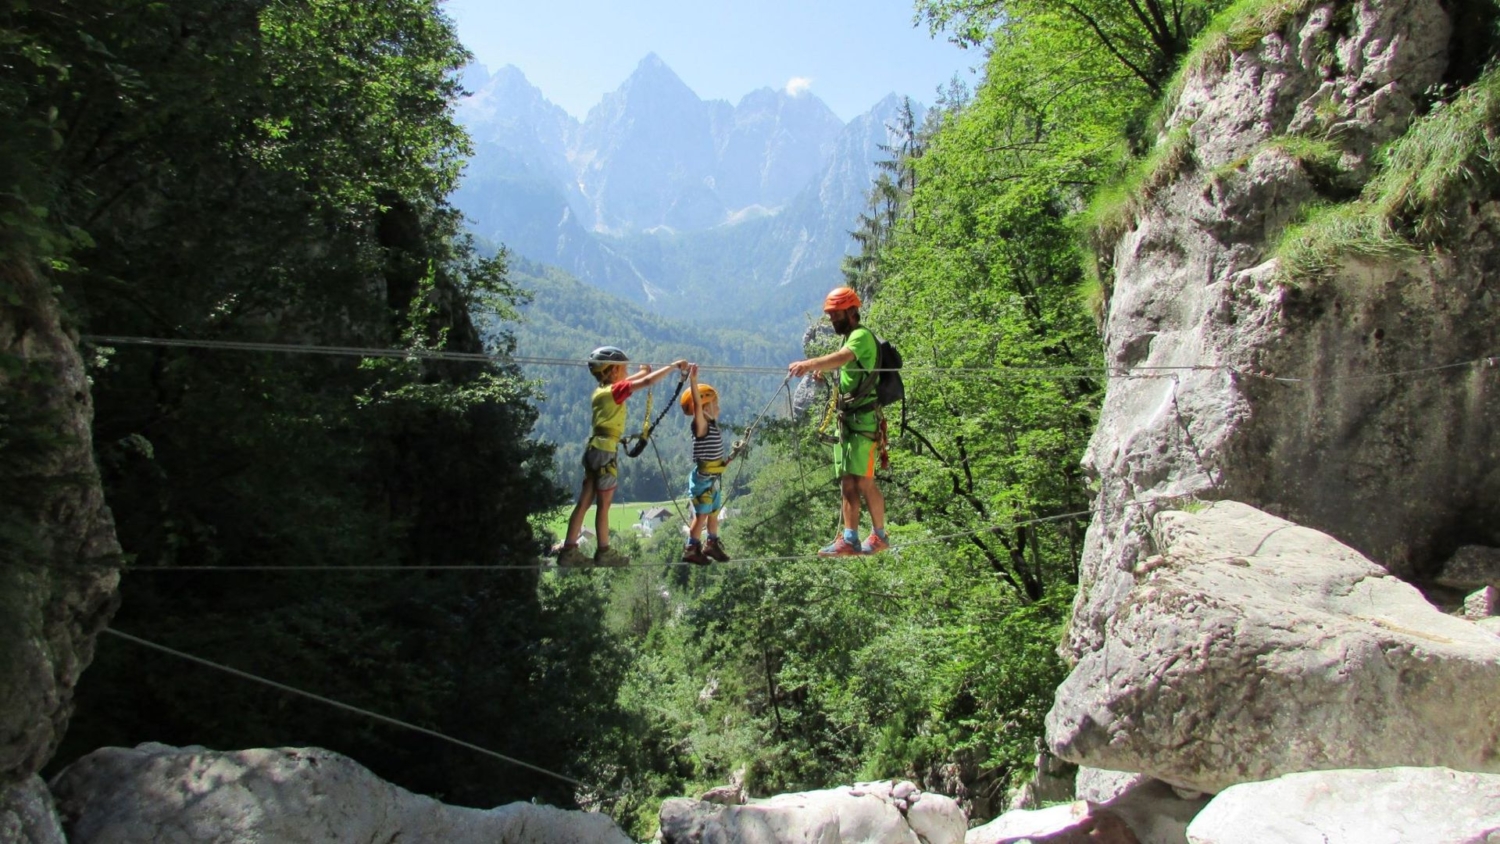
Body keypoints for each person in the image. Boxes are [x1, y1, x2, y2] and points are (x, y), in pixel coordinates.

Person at [555, 347, 689, 567]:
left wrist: (643, 372)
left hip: (594, 450)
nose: (627, 372)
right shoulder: (615, 391)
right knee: (604, 504)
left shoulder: (602, 391)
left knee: (585, 501)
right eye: (623, 368)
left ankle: (569, 550)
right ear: (614, 371)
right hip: (606, 452)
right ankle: (604, 551)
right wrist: (673, 367)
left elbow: (635, 382)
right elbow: (644, 384)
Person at [788, 286, 889, 556]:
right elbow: (851, 372)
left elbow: (844, 359)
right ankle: (850, 538)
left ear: (852, 312)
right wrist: (829, 374)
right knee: (848, 482)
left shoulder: (860, 336)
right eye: (831, 315)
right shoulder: (848, 338)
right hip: (850, 421)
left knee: (864, 482)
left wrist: (810, 364)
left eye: (837, 314)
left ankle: (879, 536)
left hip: (863, 422)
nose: (833, 319)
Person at [679, 363, 732, 565]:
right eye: (715, 405)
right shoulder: (701, 427)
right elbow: (697, 406)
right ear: (705, 408)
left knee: (713, 513)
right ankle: (691, 547)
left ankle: (711, 544)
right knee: (701, 515)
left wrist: (723, 462)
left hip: (713, 478)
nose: (718, 409)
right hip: (703, 481)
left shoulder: (712, 427)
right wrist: (693, 381)